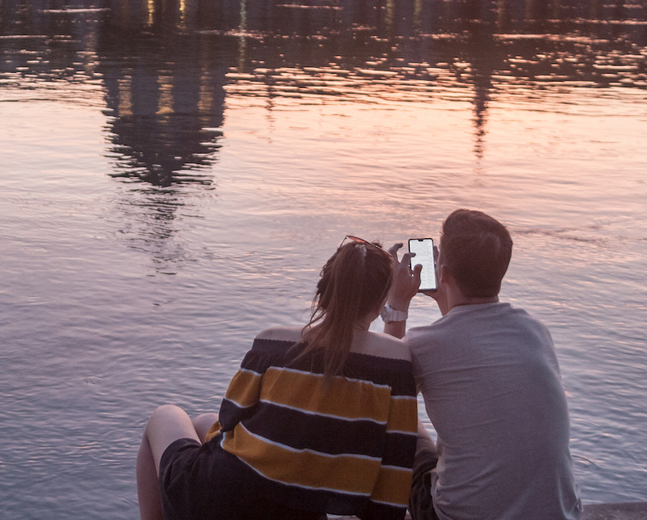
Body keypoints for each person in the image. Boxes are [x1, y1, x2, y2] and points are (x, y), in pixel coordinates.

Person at [135, 237, 419, 520]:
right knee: (201, 422)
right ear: (381, 299)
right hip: (296, 510)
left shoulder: (273, 342)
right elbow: (395, 457)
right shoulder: (395, 362)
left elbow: (228, 419)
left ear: (324, 289)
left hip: (216, 495)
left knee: (166, 415)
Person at [381, 209, 581, 520]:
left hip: (457, 516)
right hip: (559, 513)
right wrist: (445, 294)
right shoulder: (534, 331)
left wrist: (397, 306)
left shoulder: (423, 345)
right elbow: (470, 337)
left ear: (443, 272)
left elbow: (383, 392)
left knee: (406, 421)